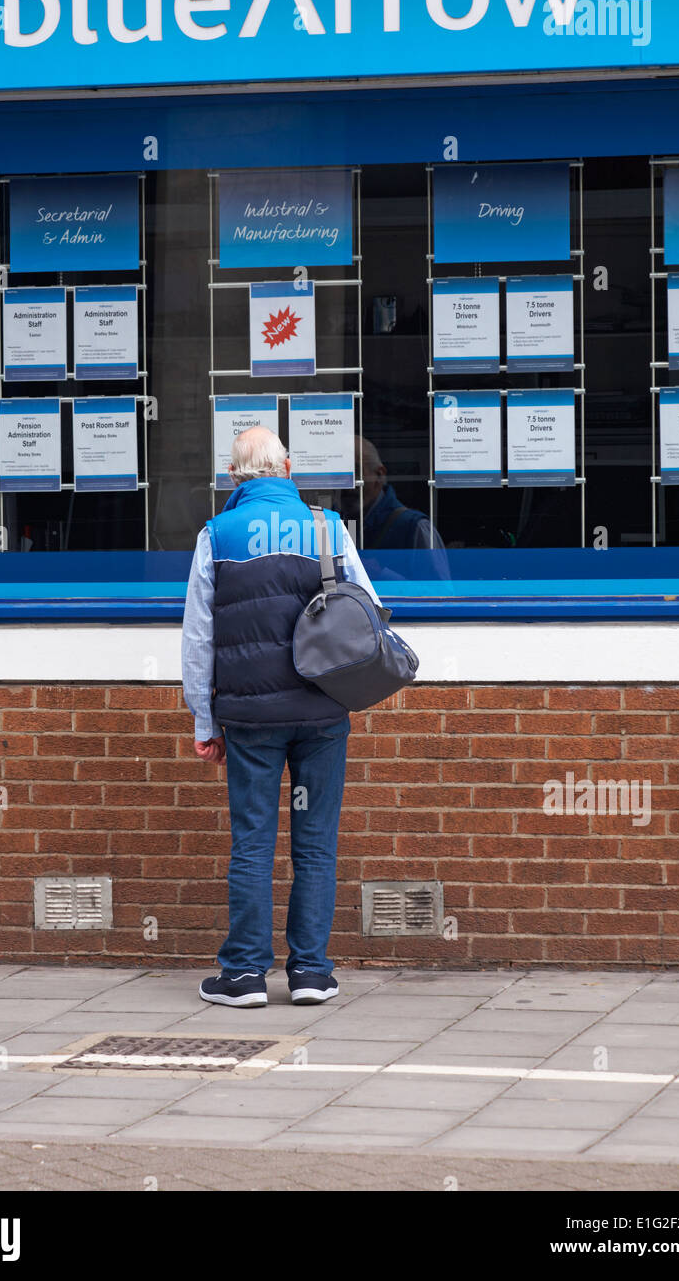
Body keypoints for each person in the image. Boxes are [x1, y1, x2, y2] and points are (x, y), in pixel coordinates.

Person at [181, 426, 382, 1008]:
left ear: (234, 478)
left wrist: (203, 720)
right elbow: (366, 612)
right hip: (322, 711)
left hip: (250, 718)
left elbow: (199, 637)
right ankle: (311, 973)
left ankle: (244, 975)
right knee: (315, 844)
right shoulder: (328, 527)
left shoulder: (215, 535)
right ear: (288, 467)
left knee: (252, 842)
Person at [356, 435, 446, 549]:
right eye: (339, 475)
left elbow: (431, 567)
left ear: (379, 474)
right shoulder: (338, 524)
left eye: (356, 471)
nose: (347, 484)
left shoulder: (415, 527)